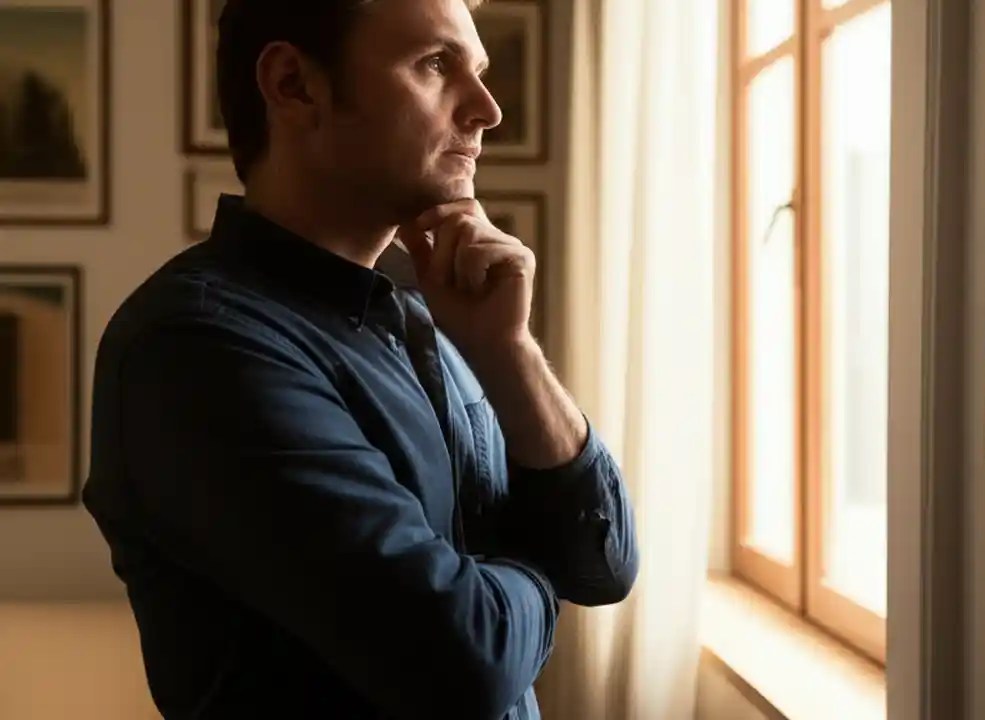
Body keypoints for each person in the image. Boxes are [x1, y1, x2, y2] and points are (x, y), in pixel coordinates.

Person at [82, 0, 638, 718]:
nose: (488, 110)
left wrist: (509, 353)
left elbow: (605, 562)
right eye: (437, 65)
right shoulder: (196, 350)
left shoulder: (435, 314)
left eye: (480, 71)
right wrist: (541, 568)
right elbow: (464, 660)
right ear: (293, 84)